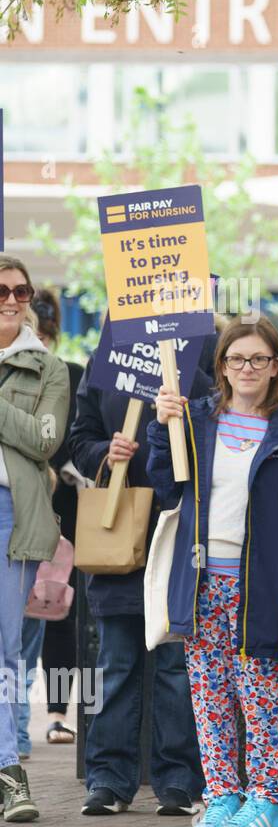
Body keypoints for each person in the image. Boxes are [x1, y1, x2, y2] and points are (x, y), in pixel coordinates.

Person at [148, 317, 278, 827]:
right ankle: (223, 794)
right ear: (221, 366)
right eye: (236, 359)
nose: (247, 368)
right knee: (208, 696)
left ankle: (267, 804)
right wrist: (162, 429)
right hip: (201, 582)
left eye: (258, 359)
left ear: (276, 367)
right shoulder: (197, 417)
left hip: (263, 587)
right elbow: (165, 485)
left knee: (262, 696)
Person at [69, 329, 207, 818]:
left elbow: (217, 431)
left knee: (175, 664)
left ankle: (178, 782)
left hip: (176, 526)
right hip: (118, 527)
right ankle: (108, 780)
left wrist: (184, 411)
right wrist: (106, 453)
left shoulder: (198, 359)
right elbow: (78, 439)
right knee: (116, 662)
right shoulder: (104, 362)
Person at [0, 254, 69, 822]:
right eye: (0, 290)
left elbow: (44, 440)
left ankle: (9, 772)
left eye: (20, 292)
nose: (11, 300)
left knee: (6, 650)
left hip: (11, 514)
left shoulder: (48, 368)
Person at [16, 289, 83, 751]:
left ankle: (57, 714)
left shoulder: (71, 376)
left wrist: (64, 470)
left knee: (59, 611)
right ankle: (16, 721)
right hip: (19, 506)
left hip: (65, 512)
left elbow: (79, 437)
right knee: (17, 618)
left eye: (38, 335)